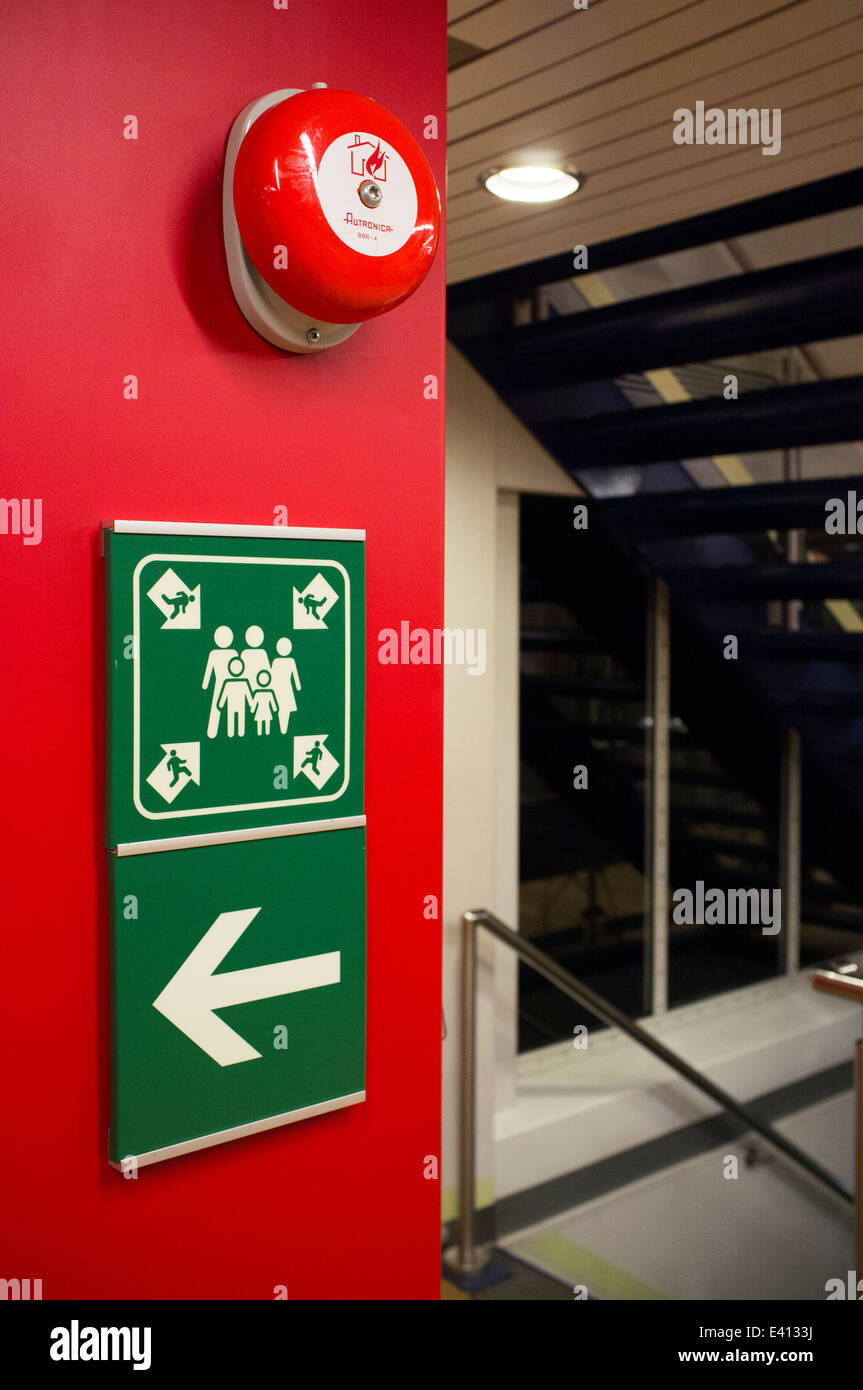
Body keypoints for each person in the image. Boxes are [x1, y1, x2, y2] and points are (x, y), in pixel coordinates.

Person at [202, 626, 237, 738]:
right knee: (225, 707)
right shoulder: (226, 653)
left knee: (224, 708)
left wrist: (205, 685)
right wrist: (205, 684)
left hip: (226, 685)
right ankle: (215, 732)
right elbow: (239, 669)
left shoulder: (231, 653)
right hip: (225, 684)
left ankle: (228, 732)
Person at [269, 637, 302, 734]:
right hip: (282, 688)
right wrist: (297, 686)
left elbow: (295, 675)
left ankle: (283, 729)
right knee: (282, 708)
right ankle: (283, 728)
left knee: (283, 708)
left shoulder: (284, 661)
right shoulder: (277, 661)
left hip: (283, 689)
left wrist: (297, 686)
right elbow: (273, 675)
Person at [217, 656, 255, 738]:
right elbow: (224, 694)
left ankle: (236, 734)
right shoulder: (229, 683)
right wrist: (252, 705)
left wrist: (220, 705)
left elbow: (248, 694)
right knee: (233, 719)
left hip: (237, 706)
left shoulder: (241, 682)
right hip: (233, 706)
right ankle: (234, 734)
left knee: (237, 719)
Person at [251, 670, 279, 736]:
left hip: (263, 711)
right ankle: (263, 734)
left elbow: (254, 704)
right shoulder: (260, 693)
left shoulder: (268, 693)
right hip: (264, 711)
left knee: (264, 724)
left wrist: (252, 710)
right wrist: (275, 709)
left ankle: (264, 734)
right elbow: (254, 703)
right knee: (262, 724)